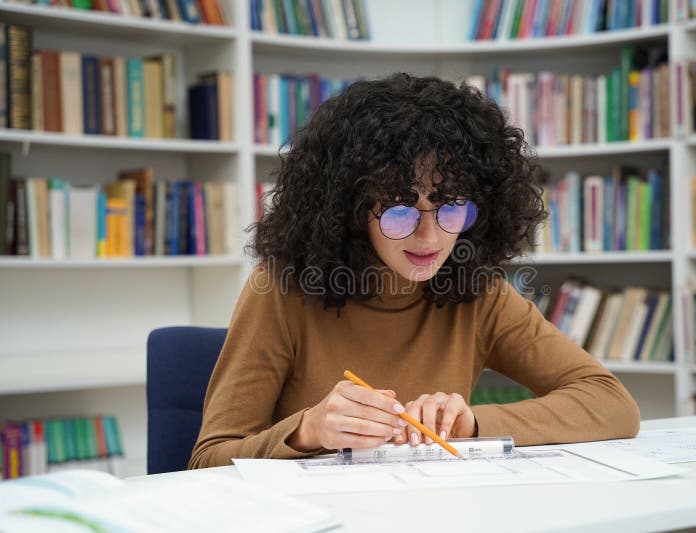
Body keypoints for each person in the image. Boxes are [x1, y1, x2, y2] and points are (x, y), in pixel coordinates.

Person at [189, 73, 639, 467]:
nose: (430, 236)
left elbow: (611, 402)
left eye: (451, 207)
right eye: (400, 211)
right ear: (349, 211)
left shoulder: (480, 293)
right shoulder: (281, 291)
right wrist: (308, 431)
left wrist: (473, 423)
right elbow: (208, 458)